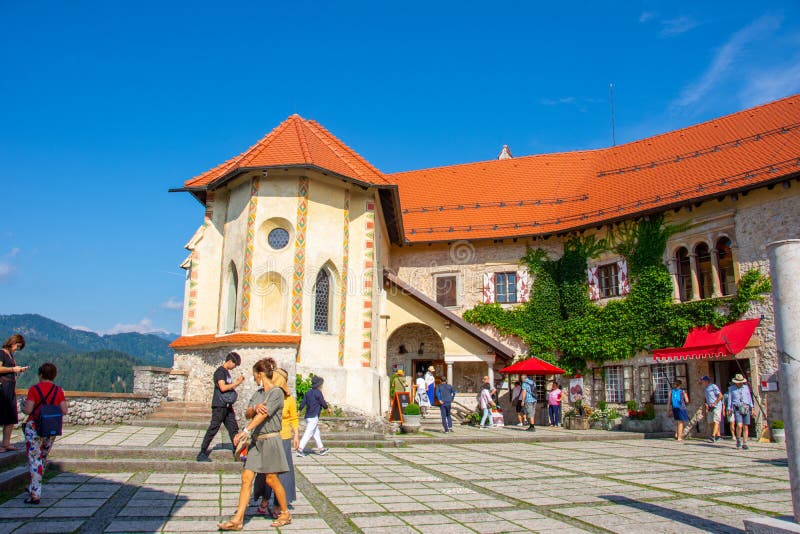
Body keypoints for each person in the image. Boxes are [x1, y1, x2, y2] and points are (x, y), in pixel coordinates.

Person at [220, 358, 291, 530]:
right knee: (246, 479)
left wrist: (245, 430)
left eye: (254, 375)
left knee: (271, 479)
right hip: (256, 441)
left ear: (260, 374)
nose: (254, 378)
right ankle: (238, 519)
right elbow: (249, 412)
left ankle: (285, 513)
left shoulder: (276, 393)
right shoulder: (259, 394)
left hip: (271, 440)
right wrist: (255, 407)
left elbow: (263, 415)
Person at [252, 368, 298, 519]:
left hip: (283, 437)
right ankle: (265, 499)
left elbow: (293, 418)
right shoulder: (268, 394)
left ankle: (278, 504)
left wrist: (296, 435)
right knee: (265, 473)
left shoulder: (289, 399)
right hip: (268, 436)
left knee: (280, 474)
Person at [20, 363, 68, 504]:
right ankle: (33, 486)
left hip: (34, 426)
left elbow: (28, 410)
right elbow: (64, 410)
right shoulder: (58, 390)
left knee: (35, 459)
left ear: (40, 374)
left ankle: (35, 492)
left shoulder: (34, 389)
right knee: (42, 457)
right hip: (50, 428)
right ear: (54, 376)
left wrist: (24, 406)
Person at [198, 352, 244, 462]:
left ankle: (237, 451)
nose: (235, 367)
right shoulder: (220, 372)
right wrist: (236, 383)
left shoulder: (226, 372)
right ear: (230, 361)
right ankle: (202, 452)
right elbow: (223, 388)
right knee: (213, 428)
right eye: (235, 365)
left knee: (233, 428)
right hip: (219, 405)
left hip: (227, 406)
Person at [0, 334, 29, 451]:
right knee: (2, 415)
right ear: (12, 343)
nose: (17, 348)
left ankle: (6, 443)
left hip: (10, 388)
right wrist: (13, 369)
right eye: (18, 346)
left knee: (11, 416)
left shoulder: (10, 355)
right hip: (3, 388)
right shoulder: (2, 353)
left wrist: (19, 369)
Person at [297, 376, 331, 457]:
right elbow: (322, 402)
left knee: (316, 433)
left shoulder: (308, 392)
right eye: (321, 384)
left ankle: (321, 449)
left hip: (308, 416)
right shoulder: (318, 393)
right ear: (319, 385)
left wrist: (299, 411)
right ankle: (300, 449)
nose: (322, 386)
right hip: (313, 416)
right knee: (308, 433)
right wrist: (327, 409)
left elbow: (303, 403)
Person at [727, 373, 754, 450]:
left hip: (746, 407)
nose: (740, 383)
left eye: (741, 381)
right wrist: (729, 408)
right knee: (739, 425)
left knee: (745, 426)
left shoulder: (746, 388)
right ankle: (738, 440)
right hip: (737, 408)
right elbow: (730, 399)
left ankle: (745, 443)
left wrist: (752, 407)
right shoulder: (731, 388)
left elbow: (749, 397)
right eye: (738, 382)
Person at [701, 376, 723, 443]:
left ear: (706, 381)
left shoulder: (713, 386)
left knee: (716, 420)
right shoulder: (705, 388)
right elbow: (706, 398)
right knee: (710, 421)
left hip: (717, 406)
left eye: (703, 381)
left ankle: (713, 436)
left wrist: (715, 403)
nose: (702, 382)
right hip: (710, 406)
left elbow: (720, 396)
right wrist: (706, 404)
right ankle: (718, 436)